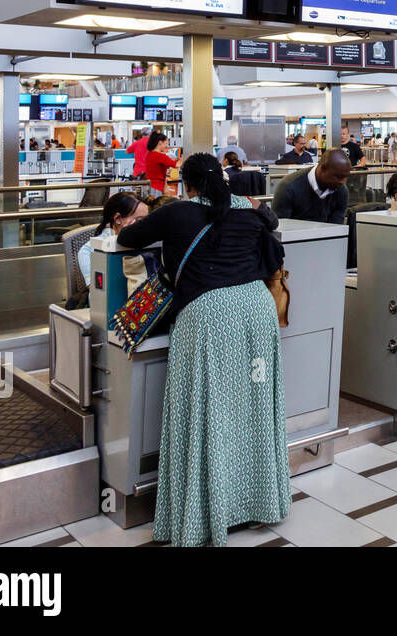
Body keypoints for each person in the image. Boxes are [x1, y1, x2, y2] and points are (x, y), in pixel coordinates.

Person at [117, 154, 290, 547]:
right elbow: (273, 222)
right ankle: (258, 499)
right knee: (255, 406)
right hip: (256, 309)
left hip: (210, 316)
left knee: (209, 409)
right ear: (224, 178)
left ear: (186, 183)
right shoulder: (250, 206)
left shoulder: (176, 213)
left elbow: (128, 238)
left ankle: (207, 510)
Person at [76, 191, 148, 289]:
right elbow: (97, 290)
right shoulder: (89, 250)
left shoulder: (147, 244)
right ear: (118, 219)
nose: (144, 227)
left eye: (146, 221)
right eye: (139, 220)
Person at [271, 148, 351, 223]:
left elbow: (336, 227)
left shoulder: (341, 191)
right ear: (323, 169)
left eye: (346, 177)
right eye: (338, 177)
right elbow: (280, 227)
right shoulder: (289, 187)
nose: (342, 181)